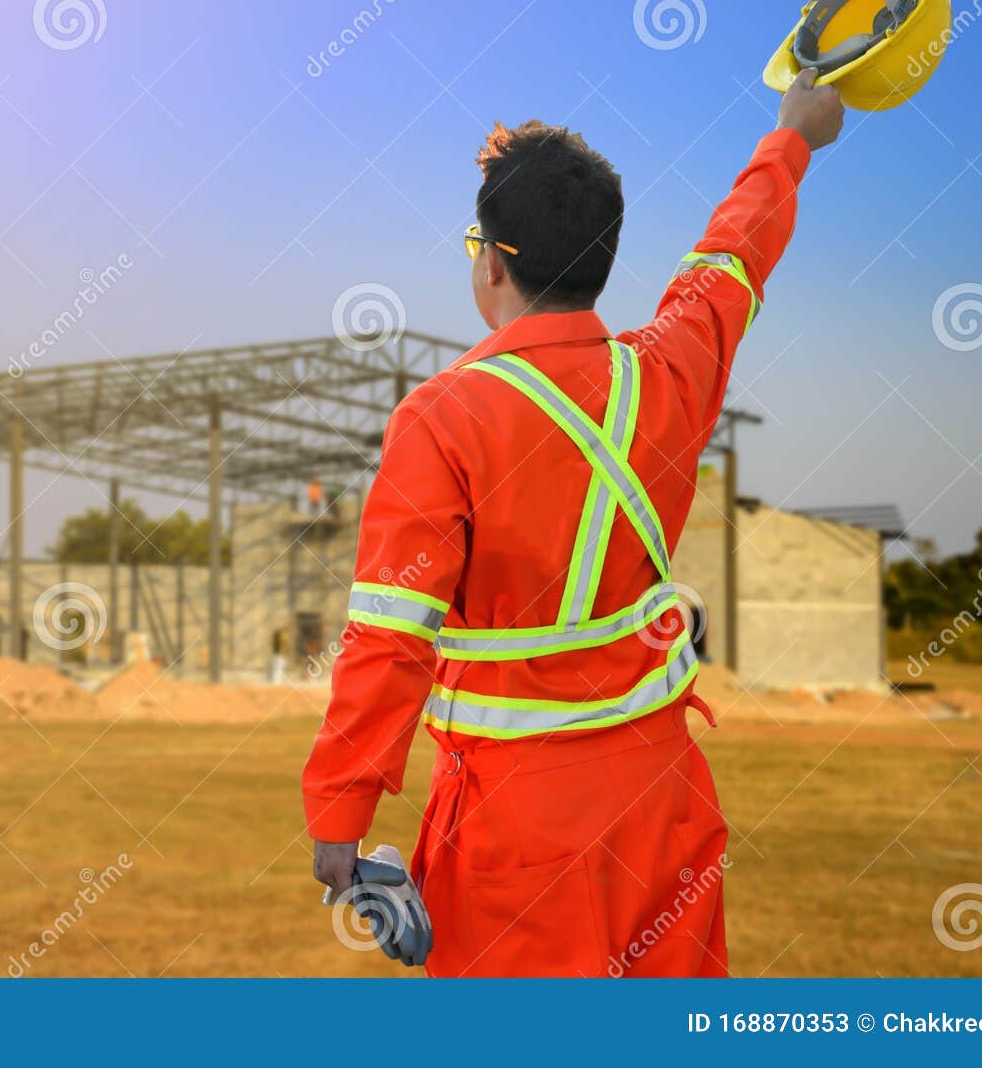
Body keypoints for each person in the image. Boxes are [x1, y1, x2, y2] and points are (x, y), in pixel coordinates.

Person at [303, 70, 843, 977]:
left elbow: (390, 638)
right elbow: (729, 260)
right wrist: (793, 135)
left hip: (516, 829)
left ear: (491, 260)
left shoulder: (441, 417)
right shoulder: (666, 372)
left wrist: (340, 817)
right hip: (664, 801)